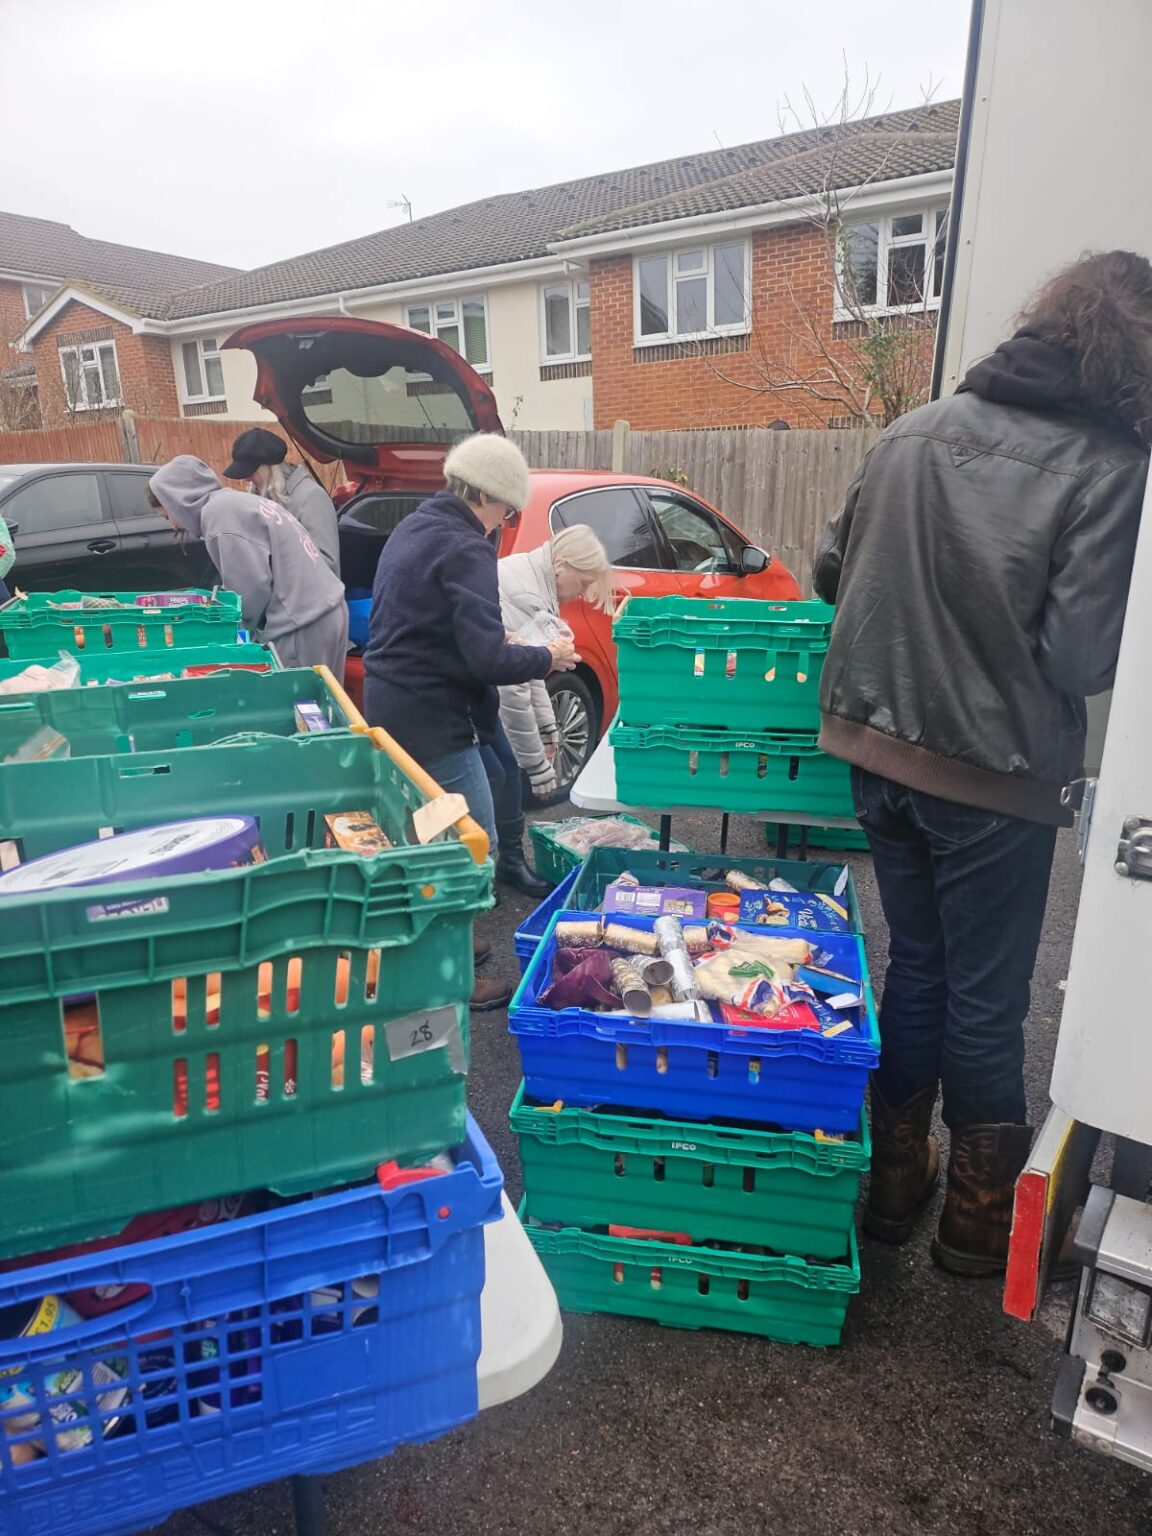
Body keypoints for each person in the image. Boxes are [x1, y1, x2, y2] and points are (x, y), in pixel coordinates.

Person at [813, 250, 1152, 1278]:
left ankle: (894, 1186)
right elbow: (1081, 659)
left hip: (875, 752)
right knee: (988, 1000)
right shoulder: (1110, 467)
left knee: (917, 965)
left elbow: (830, 569)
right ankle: (972, 1223)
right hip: (993, 775)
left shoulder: (912, 429)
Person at [363, 432, 578, 1010]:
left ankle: (446, 940)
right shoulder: (466, 547)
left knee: (428, 835)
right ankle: (450, 974)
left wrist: (498, 637)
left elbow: (430, 624)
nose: (504, 522)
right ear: (485, 495)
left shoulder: (415, 526)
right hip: (433, 717)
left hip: (391, 703)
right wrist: (546, 657)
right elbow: (487, 662)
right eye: (506, 510)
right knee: (468, 847)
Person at [490, 524, 616, 895]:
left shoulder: (537, 580)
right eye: (583, 583)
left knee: (502, 774)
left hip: (482, 688)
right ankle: (491, 872)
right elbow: (514, 688)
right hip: (471, 693)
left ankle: (505, 864)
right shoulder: (526, 592)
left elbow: (531, 671)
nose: (582, 593)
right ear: (561, 565)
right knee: (499, 775)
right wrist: (538, 768)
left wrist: (549, 731)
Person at [149, 455, 349, 679]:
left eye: (168, 515)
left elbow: (249, 591)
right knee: (329, 697)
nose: (173, 525)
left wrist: (230, 630)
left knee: (301, 698)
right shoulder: (233, 502)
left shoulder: (219, 517)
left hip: (302, 622)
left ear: (179, 500)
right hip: (328, 609)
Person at [225, 428, 341, 578]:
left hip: (310, 592)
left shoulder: (312, 498)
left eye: (251, 472)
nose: (246, 479)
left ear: (271, 467)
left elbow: (327, 564)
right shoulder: (261, 498)